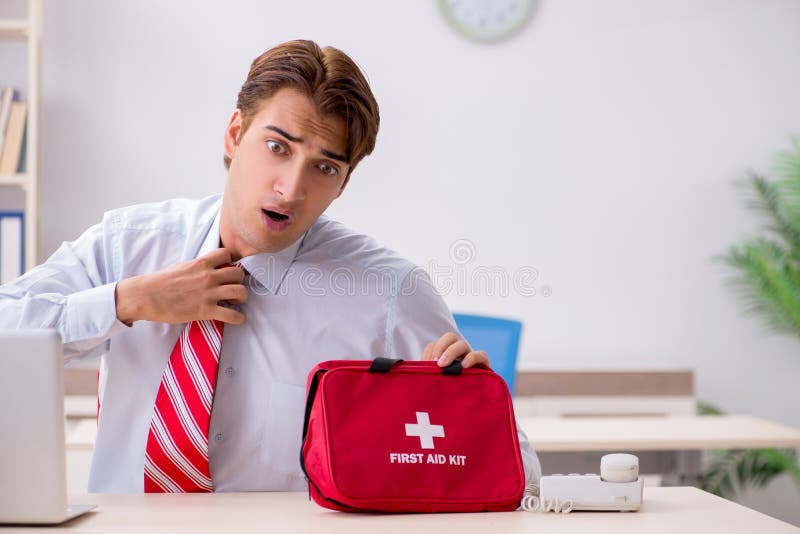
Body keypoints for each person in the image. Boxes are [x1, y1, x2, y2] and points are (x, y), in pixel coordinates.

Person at [0, 40, 540, 492]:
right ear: (235, 135)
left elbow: (520, 473)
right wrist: (130, 302)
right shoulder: (128, 245)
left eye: (324, 167)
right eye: (278, 147)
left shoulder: (389, 291)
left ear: (343, 183)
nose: (292, 188)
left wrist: (470, 413)